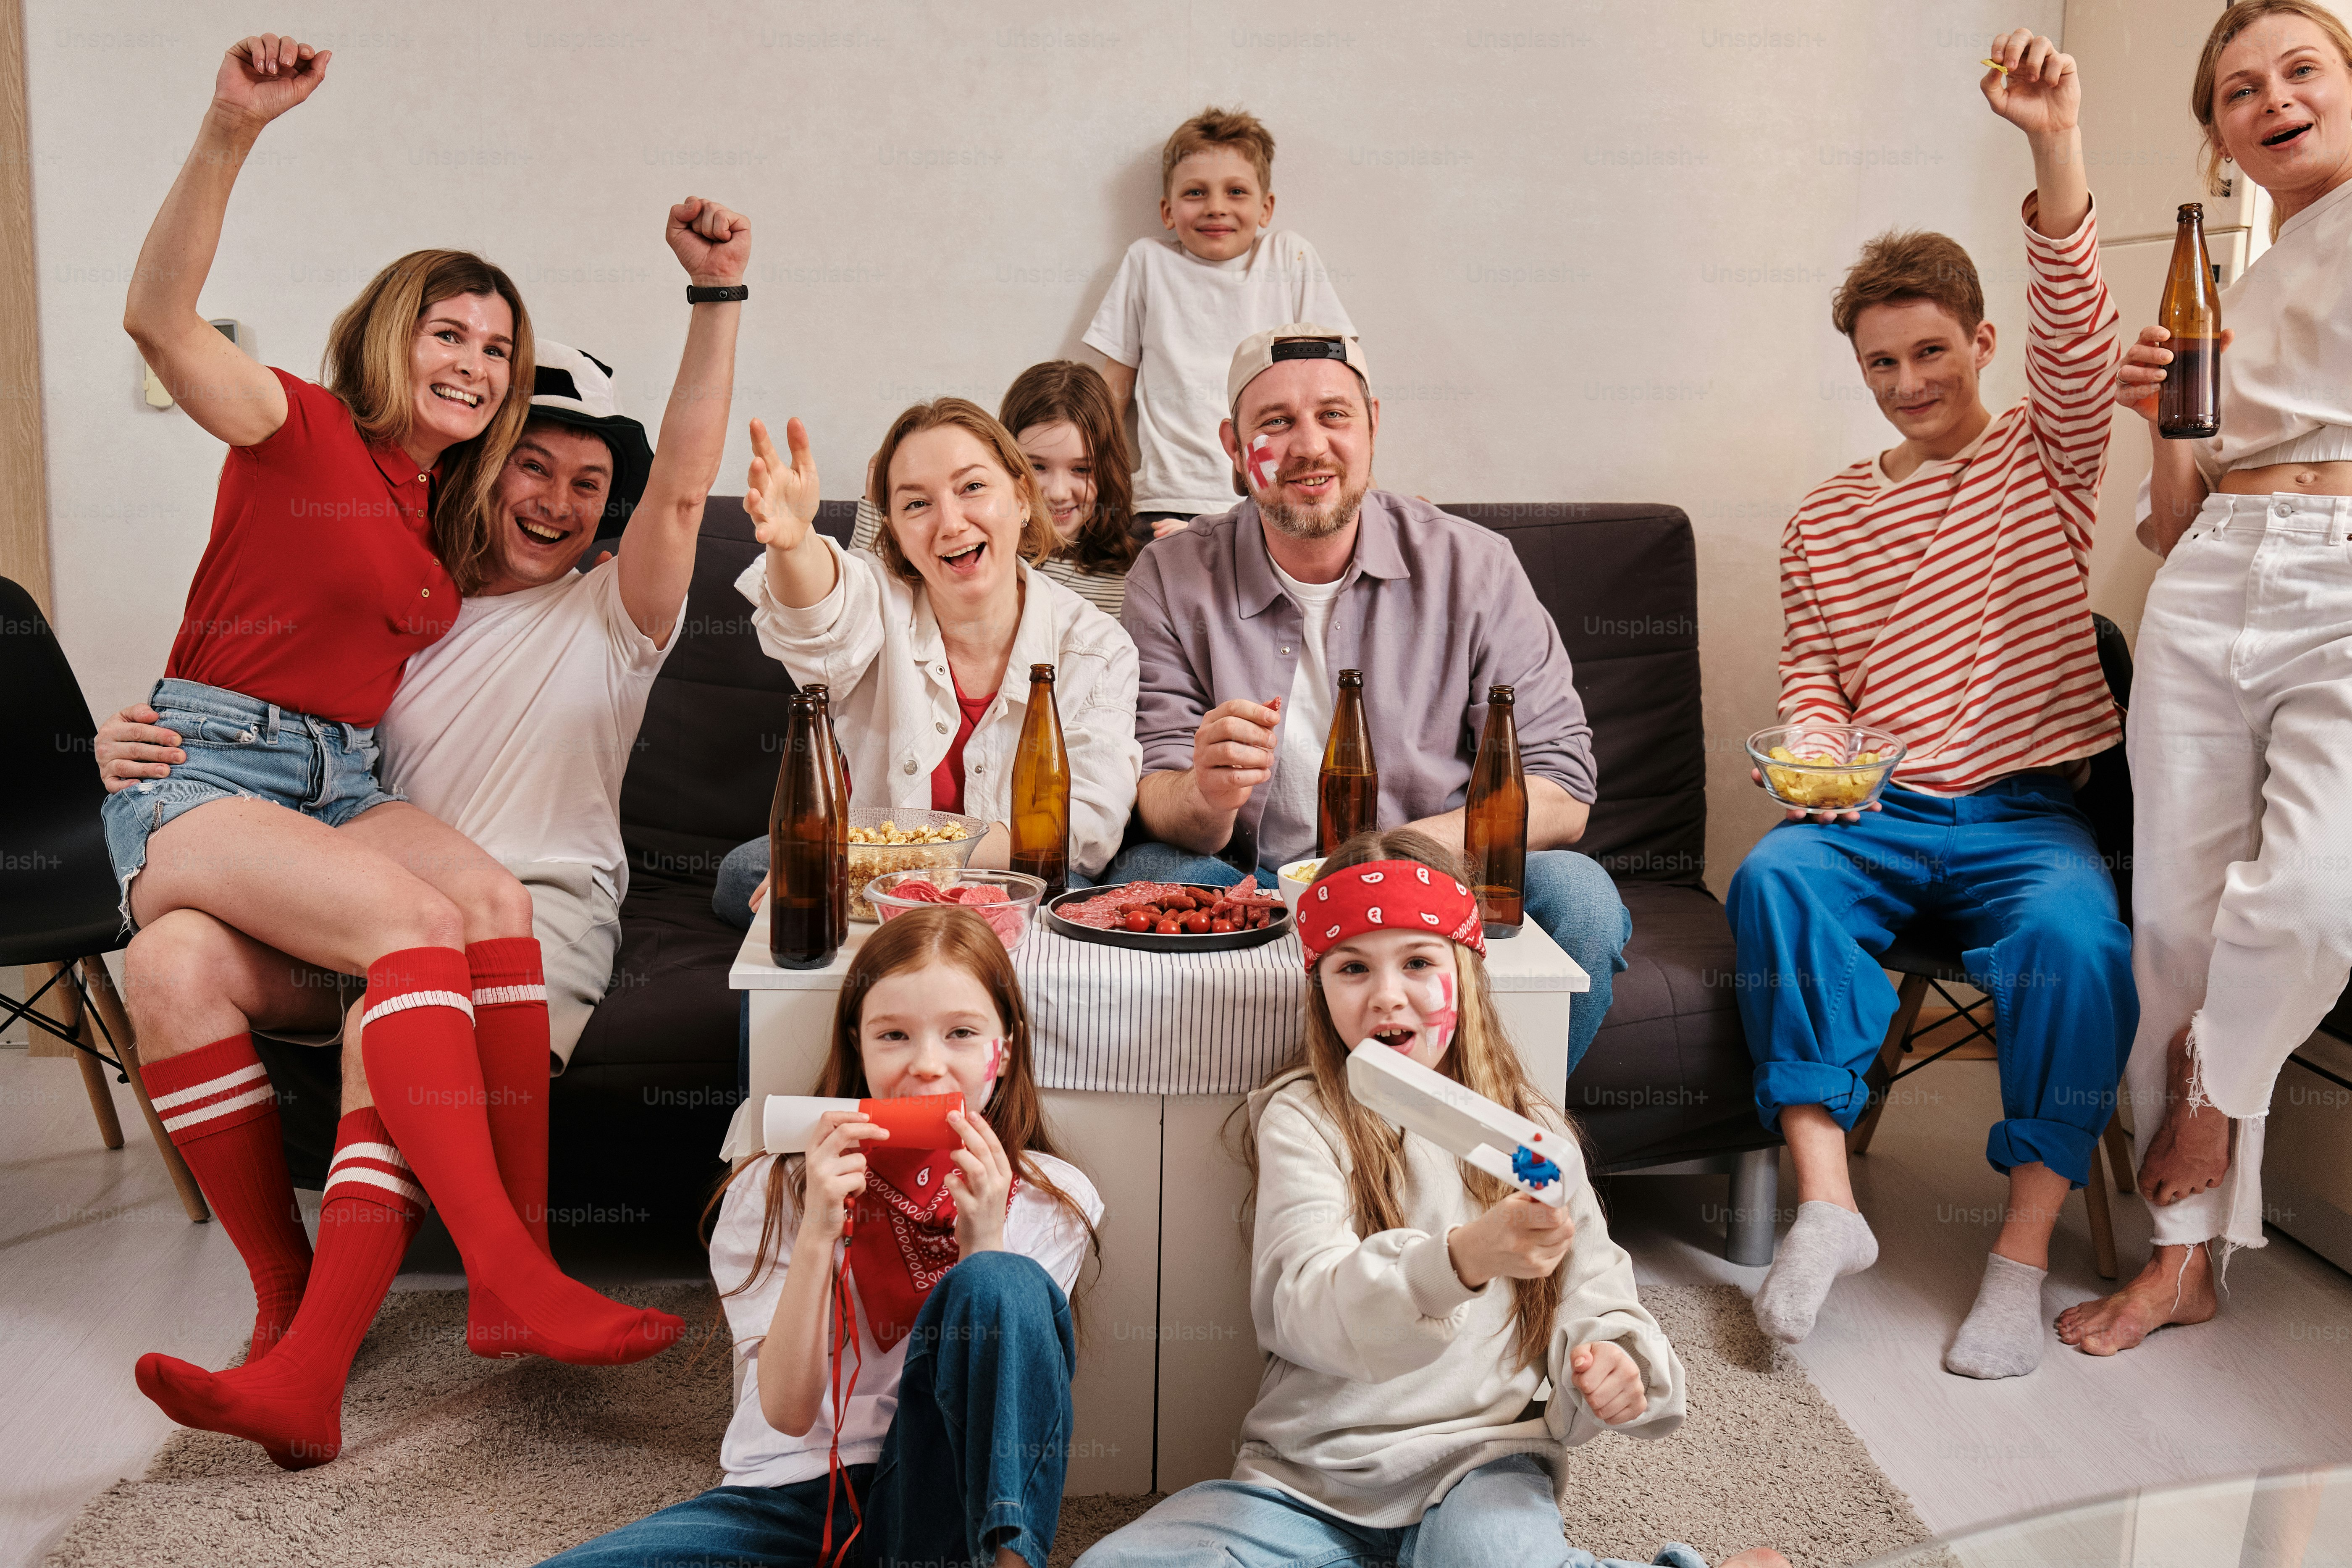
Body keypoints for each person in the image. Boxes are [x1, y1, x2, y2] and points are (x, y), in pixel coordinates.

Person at [108, 32, 678, 1470]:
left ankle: (360, 1338)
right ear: (388, 338)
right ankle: (439, 1283)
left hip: (342, 777)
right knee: (326, 936)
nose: (477, 364)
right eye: (452, 335)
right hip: (213, 767)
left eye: (499, 348)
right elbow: (163, 322)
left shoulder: (439, 521)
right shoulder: (295, 425)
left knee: (465, 907)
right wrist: (231, 131)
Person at [1727, 30, 2132, 1379]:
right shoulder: (1826, 517)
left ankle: (2017, 1254)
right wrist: (1812, 764)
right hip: (1878, 813)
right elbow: (1816, 683)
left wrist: (2051, 142)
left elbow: (2080, 330)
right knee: (1776, 874)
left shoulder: (2047, 453)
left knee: (2079, 940)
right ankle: (1830, 1207)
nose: (1909, 382)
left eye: (1930, 353)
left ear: (1981, 343)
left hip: (2024, 816)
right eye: (1881, 364)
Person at [1077, 831, 1783, 1568]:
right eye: (1353, 967)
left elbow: (1599, 1295)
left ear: (1467, 976)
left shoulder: (1536, 1142)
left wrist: (1617, 1357)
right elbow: (1301, 1306)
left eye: (1417, 961)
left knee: (1492, 1556)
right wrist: (1459, 1258)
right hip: (1311, 1481)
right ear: (1319, 987)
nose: (1387, 993)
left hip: (1479, 1466)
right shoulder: (1305, 1118)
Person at [2059, 0, 2352, 1357]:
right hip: (2211, 575)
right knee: (2170, 918)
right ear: (2222, 136)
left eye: (2304, 69)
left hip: (2339, 575)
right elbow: (2175, 518)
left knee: (2308, 896)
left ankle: (2215, 1094)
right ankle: (2183, 1262)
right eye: (2241, 89)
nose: (2275, 98)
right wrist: (2161, 412)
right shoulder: (2229, 286)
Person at [1109, 324, 1630, 1076]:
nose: (1309, 446)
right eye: (1276, 423)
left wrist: (1402, 861)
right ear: (1233, 444)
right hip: (1258, 889)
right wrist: (1205, 789)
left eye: (1334, 415)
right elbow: (1155, 795)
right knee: (1143, 872)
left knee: (1580, 897)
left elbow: (1562, 788)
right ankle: (1310, 1125)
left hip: (1441, 876)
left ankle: (1478, 1147)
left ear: (1373, 424)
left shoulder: (1474, 567)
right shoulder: (1171, 575)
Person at [540, 906, 1102, 1568]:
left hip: (936, 1498)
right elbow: (787, 1409)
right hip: (785, 1506)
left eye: (960, 1033)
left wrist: (984, 1237)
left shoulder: (1052, 1199)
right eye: (893, 1035)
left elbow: (997, 1412)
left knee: (999, 1281)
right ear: (858, 1048)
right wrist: (817, 1232)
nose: (927, 1065)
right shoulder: (774, 1187)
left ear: (1001, 1053)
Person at [711, 399, 1142, 928]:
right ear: (891, 527)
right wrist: (795, 543)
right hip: (877, 890)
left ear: (1022, 497)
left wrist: (877, 862)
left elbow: (1079, 836)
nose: (950, 522)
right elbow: (820, 614)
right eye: (916, 505)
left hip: (1009, 886)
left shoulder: (1097, 646)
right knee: (743, 876)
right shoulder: (878, 595)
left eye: (972, 487)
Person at [1084, 106, 1353, 536]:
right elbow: (1113, 388)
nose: (1215, 208)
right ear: (1167, 211)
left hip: (1273, 495)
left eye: (1235, 192)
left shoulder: (1288, 257)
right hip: (1166, 498)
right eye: (1195, 193)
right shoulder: (1147, 262)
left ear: (1265, 208)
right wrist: (1088, 478)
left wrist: (1365, 485)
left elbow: (1341, 380)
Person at [852, 360, 1141, 619]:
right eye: (1037, 467)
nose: (1058, 492)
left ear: (1108, 470)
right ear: (1010, 469)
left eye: (1082, 470)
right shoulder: (970, 558)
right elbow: (860, 610)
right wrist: (877, 507)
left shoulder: (1135, 579)